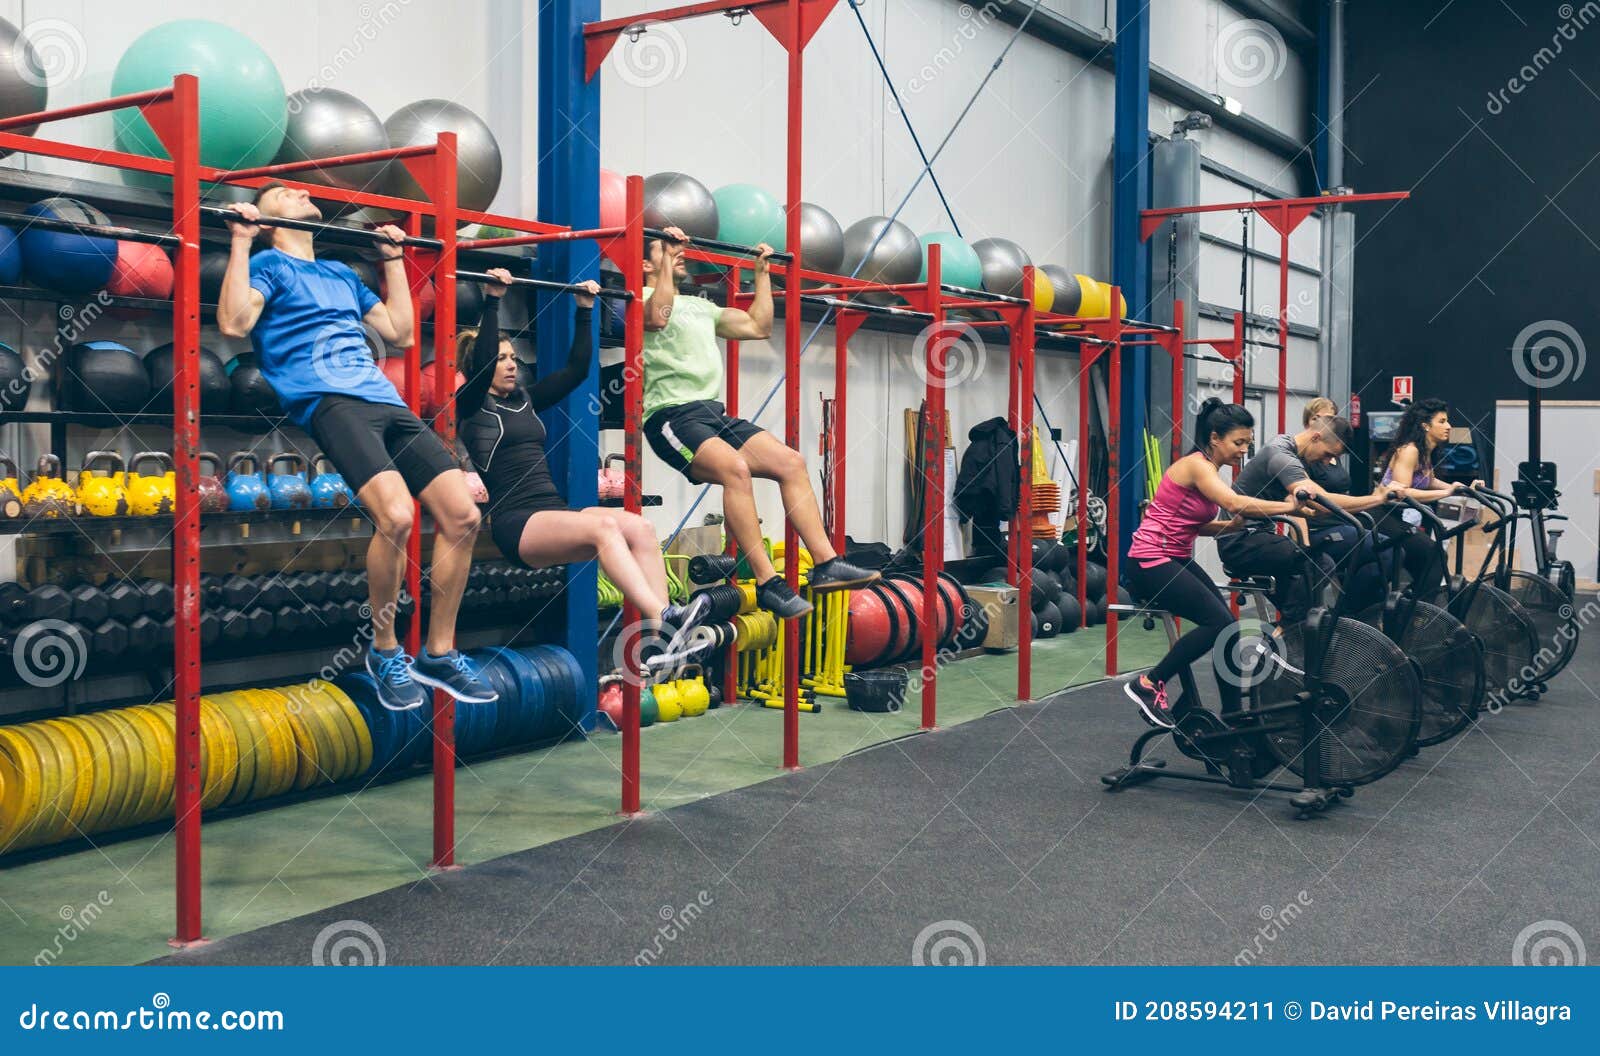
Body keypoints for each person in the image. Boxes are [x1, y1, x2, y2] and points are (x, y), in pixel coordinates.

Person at [218, 184, 495, 712]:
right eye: (284, 191)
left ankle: (438, 651)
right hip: (329, 402)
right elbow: (234, 324)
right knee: (395, 518)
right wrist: (239, 241)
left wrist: (393, 260)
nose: (301, 190)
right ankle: (386, 650)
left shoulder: (342, 274)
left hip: (382, 400)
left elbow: (401, 333)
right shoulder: (270, 265)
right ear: (269, 218)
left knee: (463, 516)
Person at [456, 268, 711, 654]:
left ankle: (664, 637)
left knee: (638, 528)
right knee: (605, 528)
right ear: (481, 365)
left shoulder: (525, 399)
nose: (511, 364)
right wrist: (492, 300)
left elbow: (576, 371)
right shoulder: (472, 406)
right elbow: (481, 362)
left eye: (513, 357)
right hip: (516, 525)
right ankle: (665, 613)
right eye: (501, 358)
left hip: (551, 513)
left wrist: (585, 310)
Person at [641, 227, 878, 619]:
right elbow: (659, 318)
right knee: (735, 470)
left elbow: (758, 326)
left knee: (791, 463)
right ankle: (769, 583)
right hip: (670, 416)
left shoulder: (702, 308)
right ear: (646, 263)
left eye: (677, 251)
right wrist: (666, 262)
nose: (678, 255)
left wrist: (762, 274)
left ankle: (826, 564)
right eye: (664, 251)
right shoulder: (642, 299)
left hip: (711, 412)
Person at [1121, 400, 1305, 729]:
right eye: (1239, 443)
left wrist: (1228, 528)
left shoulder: (1210, 470)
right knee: (1217, 622)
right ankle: (1148, 684)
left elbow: (1192, 525)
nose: (1244, 450)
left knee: (1228, 629)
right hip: (1148, 560)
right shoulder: (1197, 466)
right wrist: (1289, 507)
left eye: (1249, 443)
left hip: (1172, 556)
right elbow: (1234, 502)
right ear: (1215, 438)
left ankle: (1232, 717)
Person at [1216, 411, 1395, 622]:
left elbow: (1315, 503)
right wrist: (1378, 498)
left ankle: (1316, 627)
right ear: (1316, 437)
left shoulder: (1289, 449)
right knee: (1319, 564)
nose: (1327, 461)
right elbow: (1325, 501)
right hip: (1240, 541)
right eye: (1328, 454)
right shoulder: (1282, 455)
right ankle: (1288, 628)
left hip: (1258, 537)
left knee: (1313, 608)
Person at [1377, 397, 1475, 600]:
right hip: (1382, 514)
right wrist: (1446, 493)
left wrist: (1463, 489)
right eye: (1442, 421)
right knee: (1434, 555)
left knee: (1432, 559)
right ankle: (1416, 612)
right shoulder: (1409, 451)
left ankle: (1413, 608)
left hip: (1398, 516)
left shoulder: (1425, 452)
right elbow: (1401, 493)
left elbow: (1428, 481)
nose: (1448, 426)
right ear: (1425, 426)